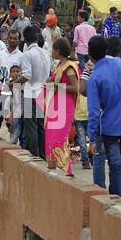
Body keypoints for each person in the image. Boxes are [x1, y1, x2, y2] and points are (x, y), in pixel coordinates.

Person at [86, 34, 121, 198]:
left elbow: (94, 111)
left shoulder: (94, 77)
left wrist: (92, 138)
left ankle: (119, 197)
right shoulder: (119, 63)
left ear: (90, 54)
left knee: (115, 163)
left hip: (110, 125)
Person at [44, 37, 83, 173]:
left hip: (65, 104)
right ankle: (54, 165)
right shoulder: (60, 65)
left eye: (53, 49)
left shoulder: (69, 66)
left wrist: (57, 86)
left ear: (58, 50)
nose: (52, 52)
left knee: (59, 137)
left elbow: (75, 87)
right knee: (51, 134)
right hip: (56, 103)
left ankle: (65, 170)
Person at [19, 25, 52, 159]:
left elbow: (26, 75)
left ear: (25, 40)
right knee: (41, 126)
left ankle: (33, 155)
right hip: (43, 92)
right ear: (37, 37)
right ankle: (43, 154)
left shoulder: (27, 54)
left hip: (31, 93)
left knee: (31, 127)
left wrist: (13, 84)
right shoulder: (46, 53)